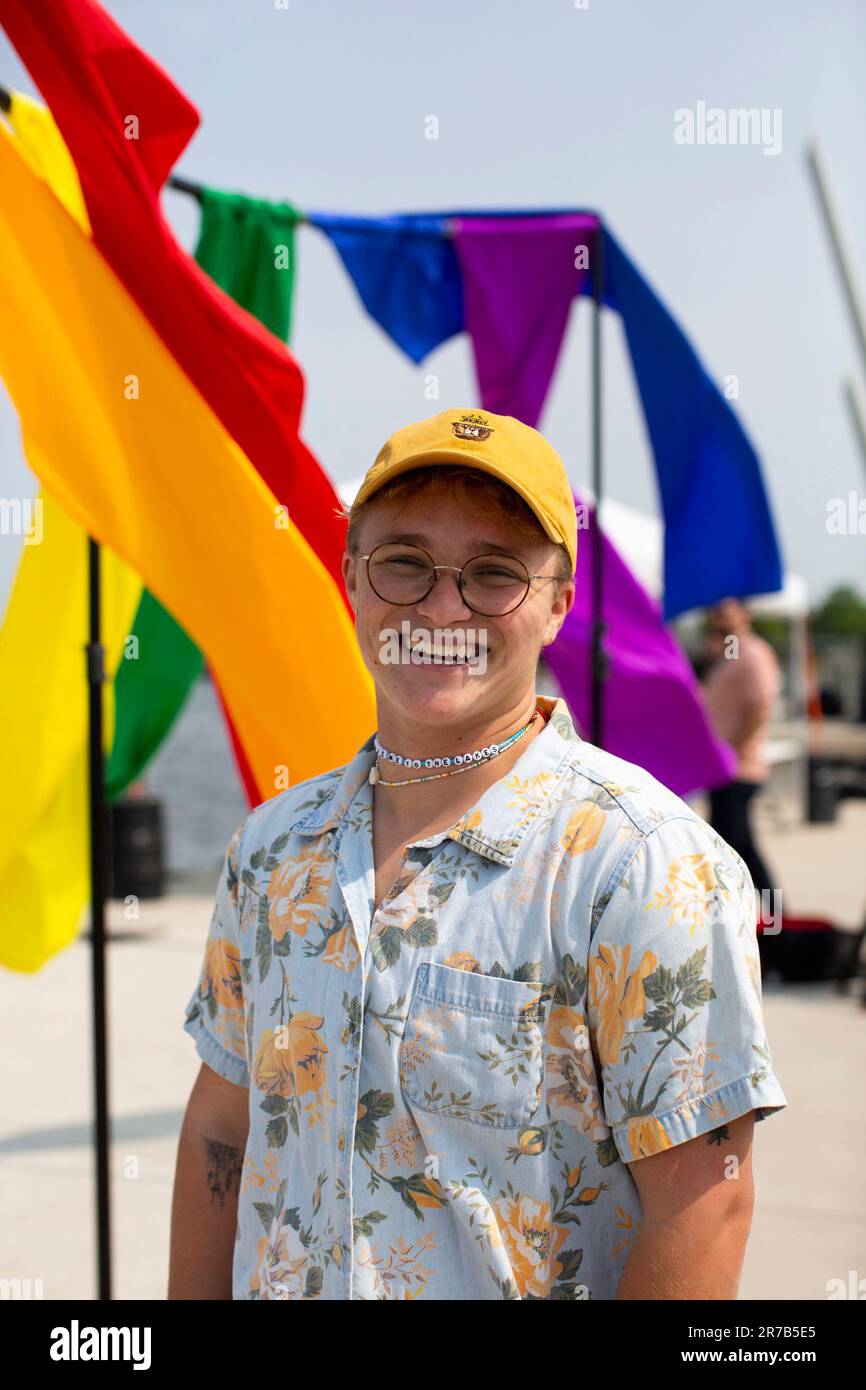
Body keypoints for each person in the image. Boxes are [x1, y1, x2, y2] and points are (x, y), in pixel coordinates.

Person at [169, 408, 787, 1301]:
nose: (442, 605)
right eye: (404, 563)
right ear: (352, 578)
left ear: (558, 603)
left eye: (494, 574)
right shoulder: (271, 851)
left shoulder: (641, 867)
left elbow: (706, 1206)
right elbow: (221, 1128)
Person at [701, 598, 782, 900]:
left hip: (739, 769)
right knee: (737, 850)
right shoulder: (731, 653)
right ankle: (773, 923)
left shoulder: (754, 653)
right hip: (723, 768)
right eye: (716, 610)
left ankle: (777, 923)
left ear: (745, 612)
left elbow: (760, 706)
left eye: (727, 609)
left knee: (735, 852)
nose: (718, 615)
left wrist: (732, 750)